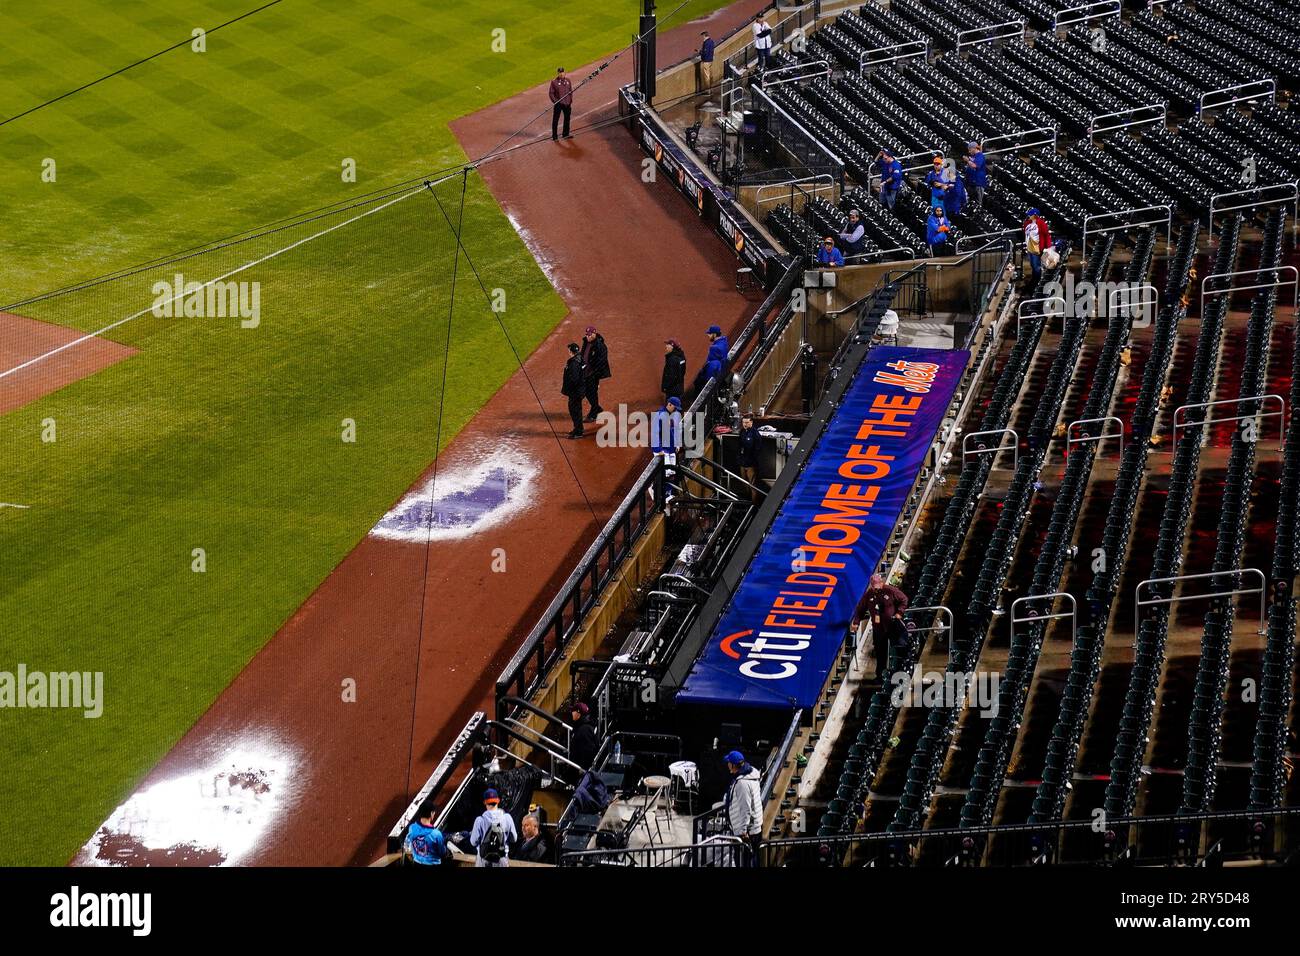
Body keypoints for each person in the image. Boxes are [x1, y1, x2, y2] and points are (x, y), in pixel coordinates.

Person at [850, 573, 910, 683]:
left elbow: (904, 599)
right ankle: (880, 677)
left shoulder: (891, 591)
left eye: (878, 586)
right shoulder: (869, 595)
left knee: (898, 649)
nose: (876, 589)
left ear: (882, 583)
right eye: (874, 587)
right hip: (878, 629)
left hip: (892, 626)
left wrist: (899, 613)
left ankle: (901, 673)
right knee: (880, 653)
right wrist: (856, 622)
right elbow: (860, 609)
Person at [723, 750, 763, 865]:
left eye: (728, 763)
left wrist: (743, 832)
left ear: (733, 765)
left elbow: (745, 809)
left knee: (744, 861)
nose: (727, 765)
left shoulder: (742, 783)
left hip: (747, 832)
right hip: (753, 828)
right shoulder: (750, 775)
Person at [470, 788, 519, 867]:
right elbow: (514, 839)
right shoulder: (507, 818)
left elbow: (473, 842)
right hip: (501, 859)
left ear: (485, 802)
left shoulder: (479, 820)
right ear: (498, 801)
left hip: (483, 860)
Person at [403, 802, 450, 866]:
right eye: (433, 813)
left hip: (417, 863)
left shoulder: (412, 828)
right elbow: (442, 853)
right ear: (431, 813)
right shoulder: (436, 834)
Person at [580, 325, 610, 422]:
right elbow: (583, 354)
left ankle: (594, 414)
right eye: (587, 335)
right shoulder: (585, 342)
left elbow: (602, 361)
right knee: (586, 392)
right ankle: (597, 408)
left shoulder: (600, 346)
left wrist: (594, 373)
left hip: (593, 374)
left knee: (591, 393)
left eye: (589, 335)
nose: (588, 336)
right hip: (585, 372)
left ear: (594, 334)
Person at [692, 324, 729, 393]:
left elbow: (712, 365)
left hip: (714, 375)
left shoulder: (714, 348)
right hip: (721, 373)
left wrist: (707, 381)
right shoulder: (724, 342)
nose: (708, 335)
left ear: (714, 334)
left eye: (709, 334)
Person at [1023, 207, 1054, 287]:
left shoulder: (1041, 223)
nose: (1029, 216)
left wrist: (1048, 247)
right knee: (1033, 265)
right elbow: (1025, 233)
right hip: (1030, 247)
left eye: (1030, 215)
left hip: (1038, 248)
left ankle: (1037, 281)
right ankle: (1035, 279)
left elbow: (1046, 235)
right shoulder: (1027, 223)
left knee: (1036, 266)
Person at [562, 342, 586, 439]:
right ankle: (578, 428)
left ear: (571, 352)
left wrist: (570, 388)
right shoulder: (580, 359)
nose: (568, 352)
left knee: (574, 410)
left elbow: (575, 379)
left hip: (575, 392)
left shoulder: (574, 363)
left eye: (569, 350)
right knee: (576, 410)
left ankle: (579, 432)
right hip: (579, 390)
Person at [652, 396, 683, 468]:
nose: (676, 410)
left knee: (672, 473)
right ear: (669, 404)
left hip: (671, 449)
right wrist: (658, 450)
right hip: (663, 451)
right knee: (664, 473)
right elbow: (655, 434)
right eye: (675, 408)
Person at [736, 413, 761, 502]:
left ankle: (754, 503)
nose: (745, 424)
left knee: (752, 484)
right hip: (743, 462)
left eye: (746, 422)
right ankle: (747, 500)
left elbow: (757, 450)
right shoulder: (742, 432)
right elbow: (739, 446)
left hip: (751, 464)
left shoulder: (755, 434)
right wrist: (740, 459)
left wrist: (752, 463)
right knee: (744, 482)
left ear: (751, 422)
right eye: (743, 422)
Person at [569, 702, 599, 770]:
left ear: (578, 714)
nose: (572, 713)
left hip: (580, 770)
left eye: (573, 711)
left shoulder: (584, 730)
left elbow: (589, 750)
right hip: (578, 767)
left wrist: (583, 768)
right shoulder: (582, 727)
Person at [549, 67, 573, 141]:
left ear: (565, 73)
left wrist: (570, 100)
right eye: (560, 72)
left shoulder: (568, 81)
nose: (561, 74)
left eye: (562, 72)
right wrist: (555, 101)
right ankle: (555, 136)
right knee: (555, 120)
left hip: (567, 103)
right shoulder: (554, 82)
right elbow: (551, 93)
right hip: (559, 104)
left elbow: (570, 91)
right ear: (558, 73)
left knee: (567, 118)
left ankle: (565, 134)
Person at [662, 338, 687, 403]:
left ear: (672, 346)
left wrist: (666, 387)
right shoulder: (681, 356)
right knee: (677, 406)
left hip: (672, 391)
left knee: (670, 409)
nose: (666, 346)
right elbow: (683, 371)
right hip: (679, 388)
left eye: (668, 344)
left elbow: (671, 376)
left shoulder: (672, 359)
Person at [964, 141, 987, 208]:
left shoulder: (980, 156)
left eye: (970, 149)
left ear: (974, 148)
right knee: (970, 202)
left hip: (978, 183)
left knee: (978, 203)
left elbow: (975, 166)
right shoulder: (973, 156)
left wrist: (968, 161)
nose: (969, 151)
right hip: (971, 183)